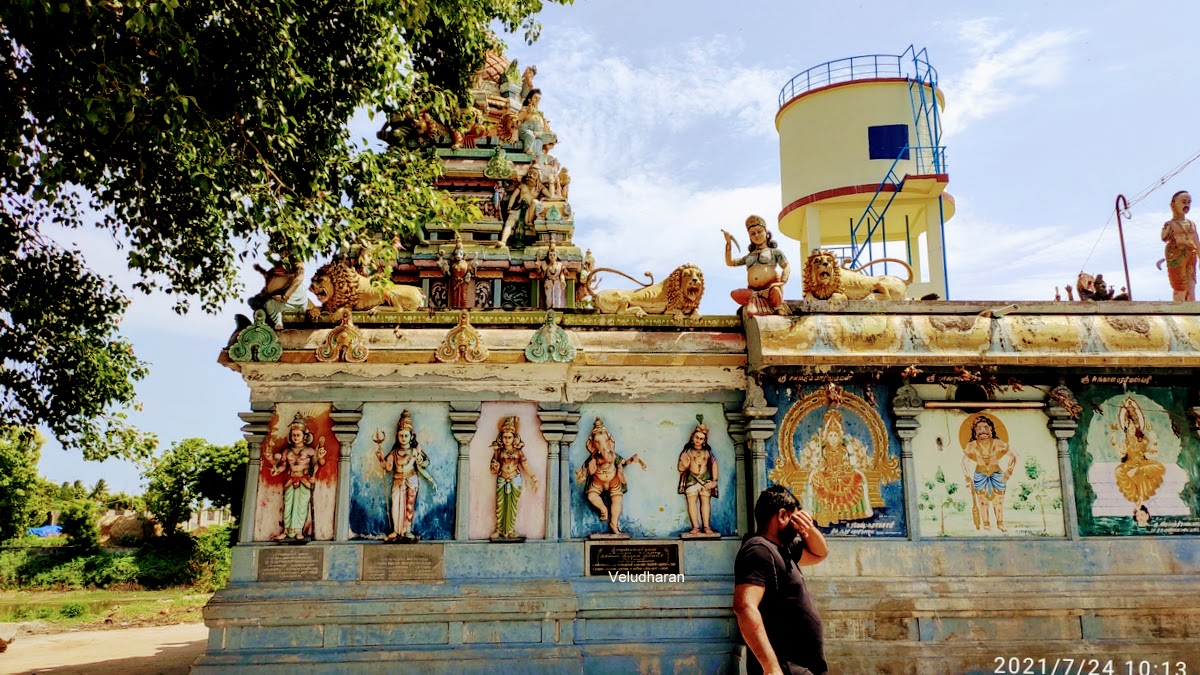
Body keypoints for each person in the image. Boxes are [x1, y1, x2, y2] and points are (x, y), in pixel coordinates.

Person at [734, 486, 829, 675]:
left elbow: (820, 553)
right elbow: (744, 607)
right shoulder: (758, 550)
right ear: (783, 515)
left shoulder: (783, 550)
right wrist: (771, 668)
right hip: (786, 667)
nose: (797, 527)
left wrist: (808, 529)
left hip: (802, 666)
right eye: (796, 518)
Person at [797, 409, 873, 526]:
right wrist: (821, 465)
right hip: (827, 475)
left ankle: (860, 510)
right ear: (826, 437)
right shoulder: (823, 450)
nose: (833, 438)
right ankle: (813, 509)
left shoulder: (844, 449)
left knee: (859, 477)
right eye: (830, 435)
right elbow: (819, 464)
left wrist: (846, 467)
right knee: (815, 477)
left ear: (840, 437)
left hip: (843, 474)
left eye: (835, 435)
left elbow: (850, 464)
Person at [575, 418, 646, 535]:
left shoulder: (613, 456)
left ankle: (614, 524)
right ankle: (603, 509)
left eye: (604, 441)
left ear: (609, 442)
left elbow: (623, 463)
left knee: (617, 501)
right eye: (598, 442)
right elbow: (589, 471)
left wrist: (634, 460)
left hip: (614, 481)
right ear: (592, 445)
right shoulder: (594, 458)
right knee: (591, 496)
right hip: (598, 482)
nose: (602, 446)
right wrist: (582, 475)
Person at [375, 410, 436, 541]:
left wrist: (431, 479)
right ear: (397, 436)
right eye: (401, 435)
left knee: (409, 506)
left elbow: (422, 465)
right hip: (397, 481)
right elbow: (388, 468)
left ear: (411, 436)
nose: (403, 438)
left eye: (406, 435)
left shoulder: (414, 451)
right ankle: (396, 531)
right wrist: (380, 458)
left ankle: (407, 531)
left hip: (411, 480)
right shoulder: (394, 453)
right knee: (395, 506)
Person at [269, 413, 327, 541]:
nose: (295, 437)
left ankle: (299, 530)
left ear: (305, 436)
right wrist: (276, 470)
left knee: (301, 506)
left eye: (298, 435)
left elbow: (318, 463)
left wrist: (319, 459)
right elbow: (283, 466)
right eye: (293, 435)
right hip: (290, 480)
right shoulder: (287, 451)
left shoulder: (310, 451)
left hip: (304, 480)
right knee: (288, 505)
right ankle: (286, 531)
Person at [960, 415, 1016, 532]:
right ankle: (986, 525)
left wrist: (1008, 472)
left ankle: (1000, 523)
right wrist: (967, 477)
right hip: (980, 474)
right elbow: (964, 462)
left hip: (997, 474)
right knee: (982, 502)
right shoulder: (972, 445)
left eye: (985, 427)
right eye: (979, 428)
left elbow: (1013, 456)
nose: (982, 431)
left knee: (998, 502)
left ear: (991, 430)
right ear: (975, 432)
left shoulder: (997, 443)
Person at [726, 215, 790, 316]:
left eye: (759, 231)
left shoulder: (774, 252)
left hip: (771, 289)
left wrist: (782, 281)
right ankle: (758, 296)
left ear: (767, 234)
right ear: (750, 237)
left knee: (776, 291)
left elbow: (786, 266)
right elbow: (730, 262)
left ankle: (776, 306)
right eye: (752, 233)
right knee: (735, 293)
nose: (756, 235)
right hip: (753, 292)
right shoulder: (749, 256)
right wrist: (728, 244)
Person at [489, 416, 538, 539]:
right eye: (505, 437)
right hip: (502, 479)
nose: (507, 440)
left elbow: (525, 465)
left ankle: (510, 530)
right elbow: (494, 469)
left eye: (509, 437)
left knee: (512, 506)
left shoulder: (518, 452)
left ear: (514, 438)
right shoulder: (499, 452)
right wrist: (495, 465)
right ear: (501, 438)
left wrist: (534, 478)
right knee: (500, 506)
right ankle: (500, 530)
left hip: (515, 479)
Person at [1113, 396, 1165, 506]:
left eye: (1134, 425)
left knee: (1159, 467)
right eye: (1130, 426)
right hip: (1129, 464)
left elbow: (1152, 449)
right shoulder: (1125, 440)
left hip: (1142, 463)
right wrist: (1115, 443)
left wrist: (1152, 435)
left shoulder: (1143, 439)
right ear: (1126, 426)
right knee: (1118, 471)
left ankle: (1137, 470)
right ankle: (1135, 496)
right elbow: (1122, 453)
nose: (1132, 428)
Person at [677, 420, 719, 535]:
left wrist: (714, 481)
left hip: (705, 480)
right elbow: (681, 468)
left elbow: (714, 464)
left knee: (705, 502)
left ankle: (706, 526)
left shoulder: (708, 452)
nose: (698, 440)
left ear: (704, 440)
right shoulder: (687, 451)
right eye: (696, 437)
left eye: (701, 438)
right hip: (692, 480)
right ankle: (695, 526)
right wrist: (685, 464)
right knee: (692, 502)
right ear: (692, 437)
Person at [1161, 190, 1199, 301]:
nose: (1187, 205)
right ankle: (1179, 308)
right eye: (1183, 202)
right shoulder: (1170, 224)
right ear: (1174, 204)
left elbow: (1196, 242)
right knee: (1180, 287)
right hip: (1176, 256)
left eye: (1189, 202)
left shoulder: (1191, 224)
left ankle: (1191, 308)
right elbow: (1164, 237)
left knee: (1191, 286)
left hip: (1191, 256)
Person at [437, 235, 476, 309]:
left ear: (463, 255)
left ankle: (463, 308)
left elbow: (470, 272)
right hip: (454, 281)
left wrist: (467, 276)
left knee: (463, 295)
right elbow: (449, 274)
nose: (458, 256)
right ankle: (454, 308)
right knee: (454, 296)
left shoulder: (466, 263)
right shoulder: (452, 263)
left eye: (460, 254)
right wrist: (446, 270)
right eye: (456, 254)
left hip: (463, 281)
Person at [538, 241, 567, 308]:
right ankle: (549, 309)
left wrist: (562, 280)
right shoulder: (546, 265)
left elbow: (561, 273)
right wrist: (540, 269)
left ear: (556, 256)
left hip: (557, 282)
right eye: (550, 255)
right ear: (548, 256)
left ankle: (557, 310)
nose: (552, 256)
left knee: (558, 298)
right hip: (548, 282)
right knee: (548, 299)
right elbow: (542, 275)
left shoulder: (560, 265)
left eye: (554, 255)